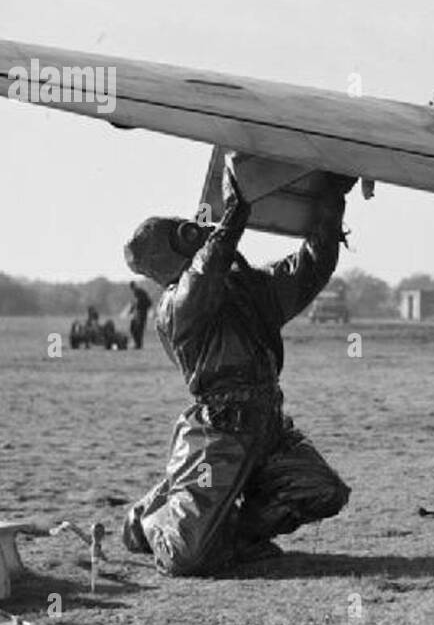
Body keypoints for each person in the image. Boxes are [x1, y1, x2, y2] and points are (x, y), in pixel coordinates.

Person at [119, 162, 354, 576]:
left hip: (266, 430)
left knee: (323, 491)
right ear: (164, 263)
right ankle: (148, 519)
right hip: (219, 437)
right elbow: (203, 273)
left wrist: (331, 200)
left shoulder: (245, 290)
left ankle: (238, 535)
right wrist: (234, 215)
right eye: (181, 236)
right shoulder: (175, 309)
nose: (195, 233)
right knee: (186, 557)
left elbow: (313, 265)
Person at [127, 280, 152, 349]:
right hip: (141, 313)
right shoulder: (139, 292)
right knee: (136, 329)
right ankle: (138, 344)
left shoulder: (138, 292)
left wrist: (134, 310)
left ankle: (138, 345)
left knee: (137, 329)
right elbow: (135, 303)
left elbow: (137, 303)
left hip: (140, 313)